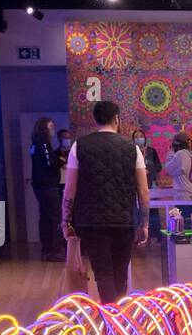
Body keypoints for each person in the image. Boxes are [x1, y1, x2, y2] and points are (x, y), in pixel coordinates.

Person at [60, 100, 149, 304]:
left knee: (103, 273)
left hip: (92, 221)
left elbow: (70, 189)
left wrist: (65, 222)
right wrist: (144, 224)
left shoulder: (78, 147)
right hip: (124, 220)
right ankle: (118, 319)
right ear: (117, 119)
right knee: (120, 273)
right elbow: (143, 191)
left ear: (95, 119)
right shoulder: (132, 148)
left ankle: (111, 320)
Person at [30, 117, 65, 261]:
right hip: (48, 186)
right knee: (56, 217)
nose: (53, 129)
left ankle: (47, 249)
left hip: (41, 185)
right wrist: (60, 161)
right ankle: (56, 250)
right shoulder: (43, 144)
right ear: (44, 128)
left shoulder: (35, 144)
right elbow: (49, 162)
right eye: (51, 127)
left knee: (45, 217)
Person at [163, 131, 192, 232]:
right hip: (191, 193)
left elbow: (168, 169)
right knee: (190, 224)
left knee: (183, 226)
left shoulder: (180, 154)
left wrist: (170, 153)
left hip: (182, 195)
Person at [132, 128, 163, 244]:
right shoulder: (132, 152)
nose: (139, 138)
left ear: (144, 138)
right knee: (137, 211)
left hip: (151, 185)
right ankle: (139, 238)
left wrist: (149, 170)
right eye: (136, 136)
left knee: (153, 211)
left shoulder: (151, 151)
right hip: (137, 186)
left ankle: (155, 237)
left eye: (141, 136)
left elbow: (158, 167)